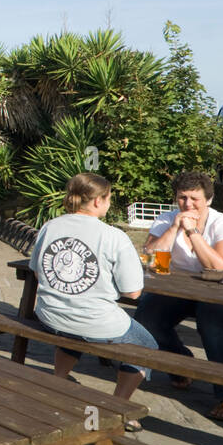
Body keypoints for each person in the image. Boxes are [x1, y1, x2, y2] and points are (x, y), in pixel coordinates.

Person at [30, 173, 155, 424]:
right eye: (109, 198)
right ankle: (117, 407)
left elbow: (36, 269)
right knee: (147, 347)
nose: (109, 203)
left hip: (50, 314)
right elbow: (133, 292)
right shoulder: (113, 236)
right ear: (98, 201)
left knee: (73, 329)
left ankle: (59, 380)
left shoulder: (50, 226)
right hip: (93, 320)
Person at [136, 171, 223, 423]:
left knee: (211, 321)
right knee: (146, 316)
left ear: (208, 200)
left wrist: (193, 234)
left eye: (195, 199)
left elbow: (220, 267)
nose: (188, 205)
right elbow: (151, 260)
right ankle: (181, 364)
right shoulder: (166, 219)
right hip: (186, 289)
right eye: (182, 198)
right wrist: (175, 227)